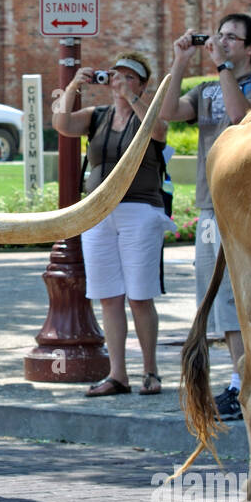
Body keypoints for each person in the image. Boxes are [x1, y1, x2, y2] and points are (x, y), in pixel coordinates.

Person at [160, 14, 251, 421]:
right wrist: (180, 61)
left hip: (249, 205)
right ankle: (238, 378)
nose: (223, 42)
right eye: (220, 36)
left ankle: (244, 382)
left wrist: (222, 68)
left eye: (233, 38)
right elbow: (167, 112)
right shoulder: (206, 87)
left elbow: (240, 117)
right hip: (211, 204)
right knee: (215, 301)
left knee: (239, 296)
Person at [53, 53, 172, 397]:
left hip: (140, 210)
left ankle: (150, 371)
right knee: (108, 296)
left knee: (139, 295)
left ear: (143, 84)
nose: (119, 82)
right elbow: (62, 124)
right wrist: (74, 85)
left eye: (129, 77)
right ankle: (117, 374)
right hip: (98, 212)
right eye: (115, 76)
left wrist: (132, 98)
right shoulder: (97, 116)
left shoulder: (147, 113)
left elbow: (158, 130)